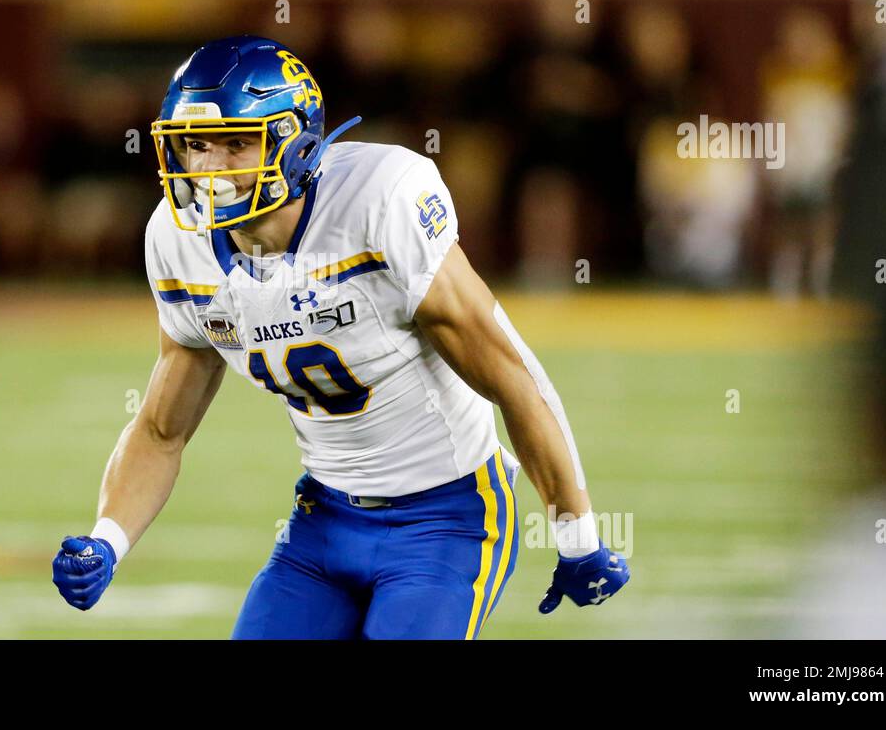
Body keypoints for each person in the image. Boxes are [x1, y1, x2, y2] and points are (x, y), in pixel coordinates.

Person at [52, 35, 629, 639]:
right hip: (322, 521)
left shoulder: (379, 203)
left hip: (449, 518)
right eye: (195, 145)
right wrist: (107, 540)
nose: (209, 168)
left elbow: (513, 379)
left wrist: (576, 535)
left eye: (235, 143)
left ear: (295, 142)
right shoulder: (177, 243)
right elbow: (161, 430)